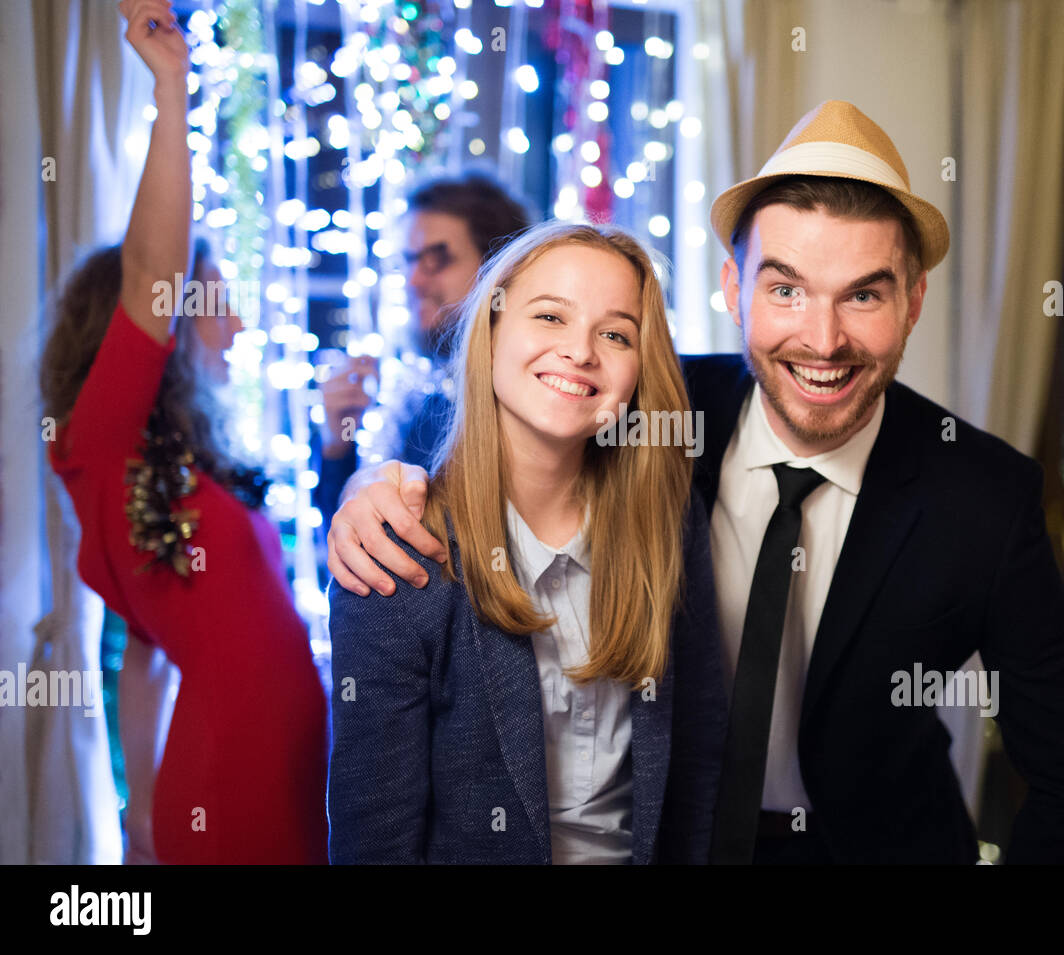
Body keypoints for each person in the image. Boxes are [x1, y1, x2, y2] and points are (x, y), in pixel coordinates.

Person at [326, 100, 1064, 864]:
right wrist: (377, 483)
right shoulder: (653, 412)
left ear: (913, 301)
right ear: (732, 290)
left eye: (865, 294)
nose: (823, 339)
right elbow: (516, 433)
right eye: (785, 288)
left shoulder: (982, 495)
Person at [326, 221, 726, 864]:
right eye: (550, 317)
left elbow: (700, 762)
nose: (581, 352)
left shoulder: (672, 524)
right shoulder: (398, 550)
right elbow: (375, 836)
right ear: (490, 332)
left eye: (616, 333)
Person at [42, 0, 328, 864]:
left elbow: (143, 660)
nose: (235, 321)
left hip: (275, 770)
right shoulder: (103, 438)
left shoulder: (177, 464)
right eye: (211, 298)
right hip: (233, 781)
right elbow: (152, 270)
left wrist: (138, 820)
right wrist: (173, 89)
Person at [313, 174, 532, 532]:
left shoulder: (521, 398)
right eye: (409, 262)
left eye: (437, 260)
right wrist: (339, 442)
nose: (413, 281)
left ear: (500, 270)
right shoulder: (419, 391)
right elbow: (351, 547)